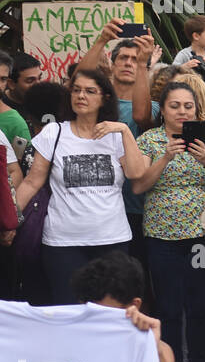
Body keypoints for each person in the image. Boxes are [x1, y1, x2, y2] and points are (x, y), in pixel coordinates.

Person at [132, 81, 205, 362]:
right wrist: (165, 157)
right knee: (167, 304)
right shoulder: (149, 140)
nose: (181, 112)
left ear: (196, 110)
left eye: (188, 106)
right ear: (162, 110)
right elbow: (138, 186)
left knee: (199, 304)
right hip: (160, 235)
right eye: (174, 106)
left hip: (198, 237)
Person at [14, 67, 148, 304]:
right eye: (76, 90)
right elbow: (32, 181)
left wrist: (125, 130)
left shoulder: (116, 135)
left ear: (104, 97)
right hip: (63, 243)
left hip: (112, 239)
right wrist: (10, 220)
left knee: (111, 312)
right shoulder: (54, 133)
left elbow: (136, 173)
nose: (81, 96)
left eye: (89, 91)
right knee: (68, 311)